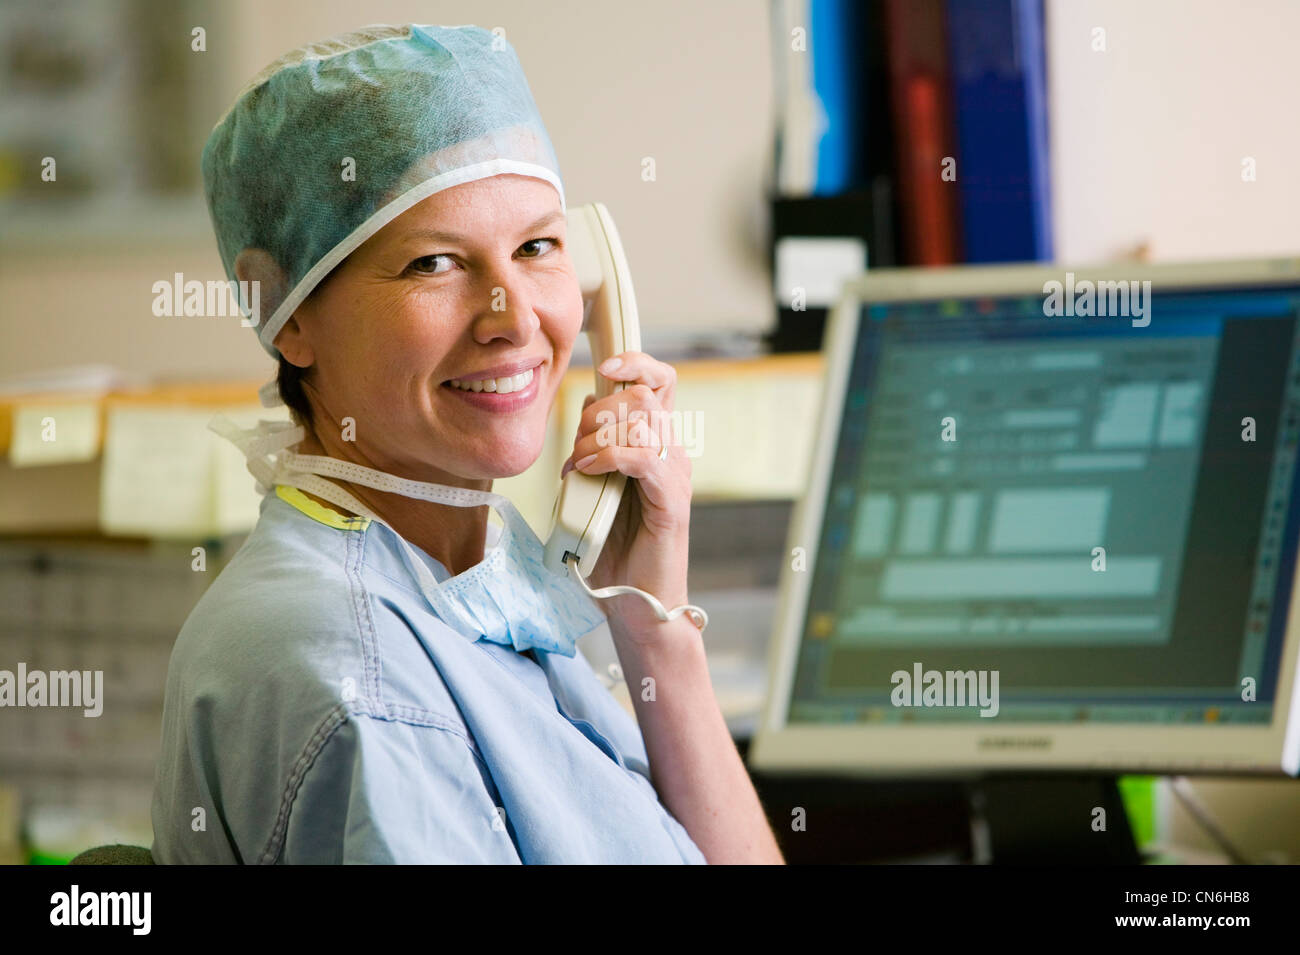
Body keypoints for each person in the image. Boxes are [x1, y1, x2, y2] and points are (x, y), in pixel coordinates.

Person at [150, 23, 784, 864]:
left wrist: (653, 624)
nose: (516, 317)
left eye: (537, 247)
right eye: (434, 264)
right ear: (288, 314)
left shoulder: (479, 592)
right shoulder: (354, 676)